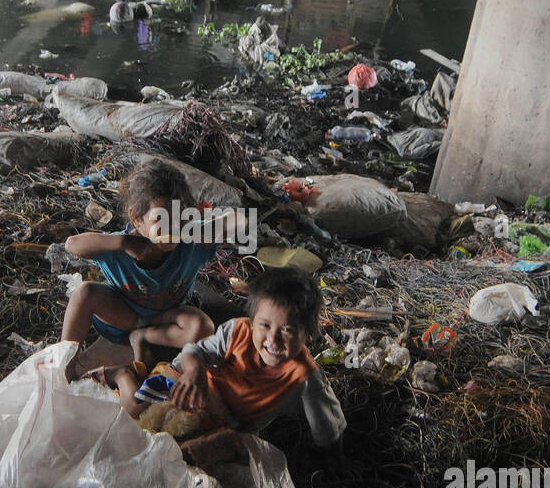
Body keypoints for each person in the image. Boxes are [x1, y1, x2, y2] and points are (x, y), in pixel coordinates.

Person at [101, 265, 346, 468]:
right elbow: (193, 351)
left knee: (220, 446)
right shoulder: (238, 331)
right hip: (189, 383)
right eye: (264, 325)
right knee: (134, 409)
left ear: (309, 334)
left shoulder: (304, 378)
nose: (273, 339)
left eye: (287, 330)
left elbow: (328, 431)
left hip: (226, 420)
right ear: (252, 321)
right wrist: (195, 372)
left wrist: (334, 463)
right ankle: (122, 373)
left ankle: (171, 459)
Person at [63, 159, 231, 379]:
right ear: (136, 219)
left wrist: (205, 229)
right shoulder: (122, 247)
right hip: (125, 316)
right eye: (160, 219)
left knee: (203, 329)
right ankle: (63, 367)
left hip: (169, 317)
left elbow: (239, 221)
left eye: (180, 218)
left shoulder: (192, 241)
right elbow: (71, 245)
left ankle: (143, 337)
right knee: (84, 293)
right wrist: (122, 243)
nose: (172, 226)